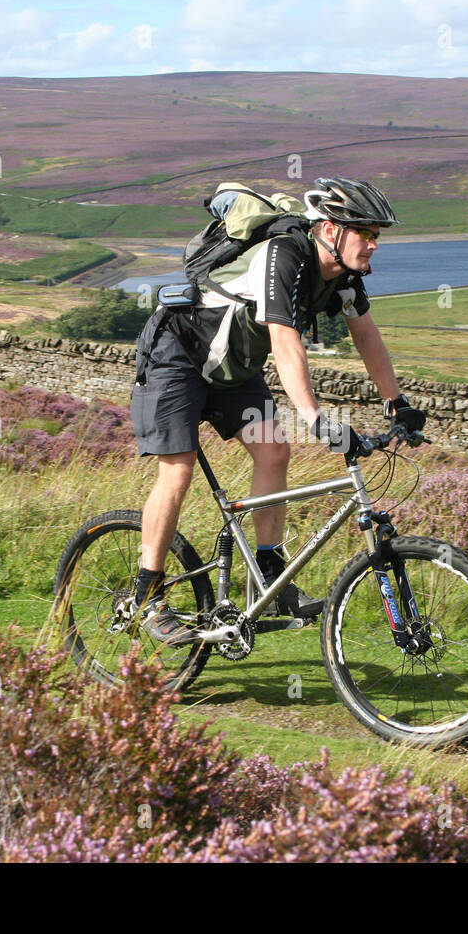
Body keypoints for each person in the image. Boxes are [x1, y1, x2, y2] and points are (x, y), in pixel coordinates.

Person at [130, 177, 427, 645]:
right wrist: (314, 418)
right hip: (178, 356)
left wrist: (398, 403)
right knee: (179, 471)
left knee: (274, 453)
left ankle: (268, 569)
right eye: (364, 232)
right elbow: (286, 342)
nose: (373, 244)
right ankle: (146, 595)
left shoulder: (344, 276)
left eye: (377, 235)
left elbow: (366, 335)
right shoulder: (284, 255)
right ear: (329, 229)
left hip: (232, 370)